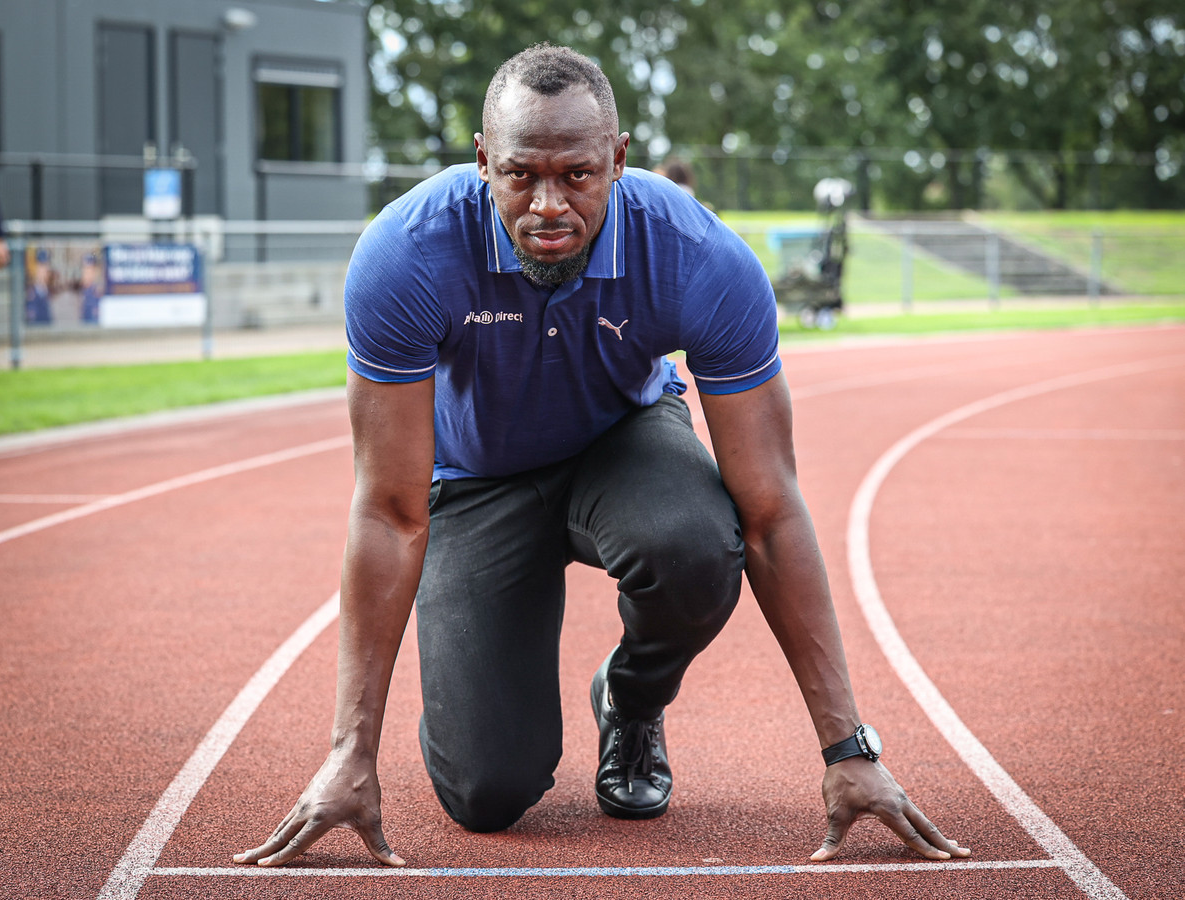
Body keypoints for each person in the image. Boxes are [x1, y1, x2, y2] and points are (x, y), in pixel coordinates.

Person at [235, 43, 969, 869]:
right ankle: (476, 708)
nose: (548, 205)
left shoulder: (698, 258)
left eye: (577, 175)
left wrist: (848, 750)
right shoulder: (405, 255)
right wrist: (349, 750)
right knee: (487, 795)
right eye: (521, 175)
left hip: (622, 440)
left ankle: (631, 699)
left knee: (697, 543)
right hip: (474, 480)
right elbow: (390, 510)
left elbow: (770, 509)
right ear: (482, 162)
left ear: (618, 161)